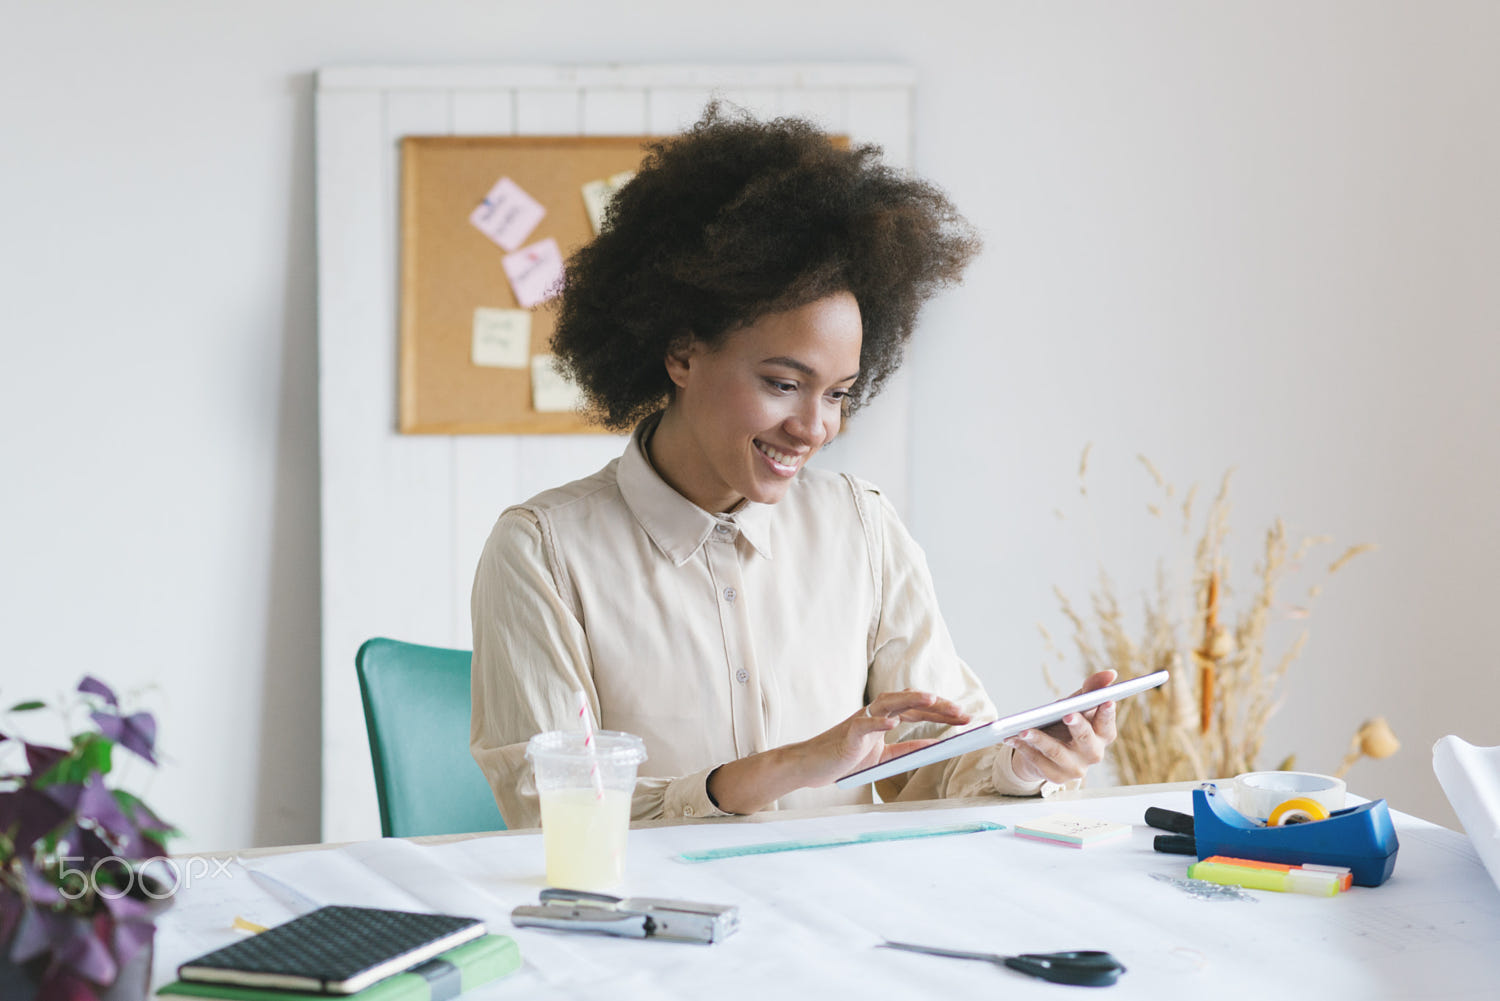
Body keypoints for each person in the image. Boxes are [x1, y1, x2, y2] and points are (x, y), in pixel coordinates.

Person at [470, 104, 1117, 829]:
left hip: (840, 922)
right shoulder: (542, 553)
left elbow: (934, 758)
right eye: (783, 383)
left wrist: (1021, 763)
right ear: (683, 353)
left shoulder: (860, 526)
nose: (815, 427)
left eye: (838, 393)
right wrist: (777, 770)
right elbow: (555, 815)